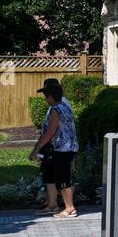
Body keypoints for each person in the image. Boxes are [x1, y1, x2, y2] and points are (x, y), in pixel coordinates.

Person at [29, 79, 80, 218]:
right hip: (61, 148)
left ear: (51, 96)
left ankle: (70, 208)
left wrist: (36, 148)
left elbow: (50, 132)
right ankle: (53, 205)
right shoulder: (64, 106)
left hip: (62, 149)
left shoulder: (56, 110)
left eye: (46, 96)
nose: (45, 99)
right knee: (52, 176)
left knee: (63, 179)